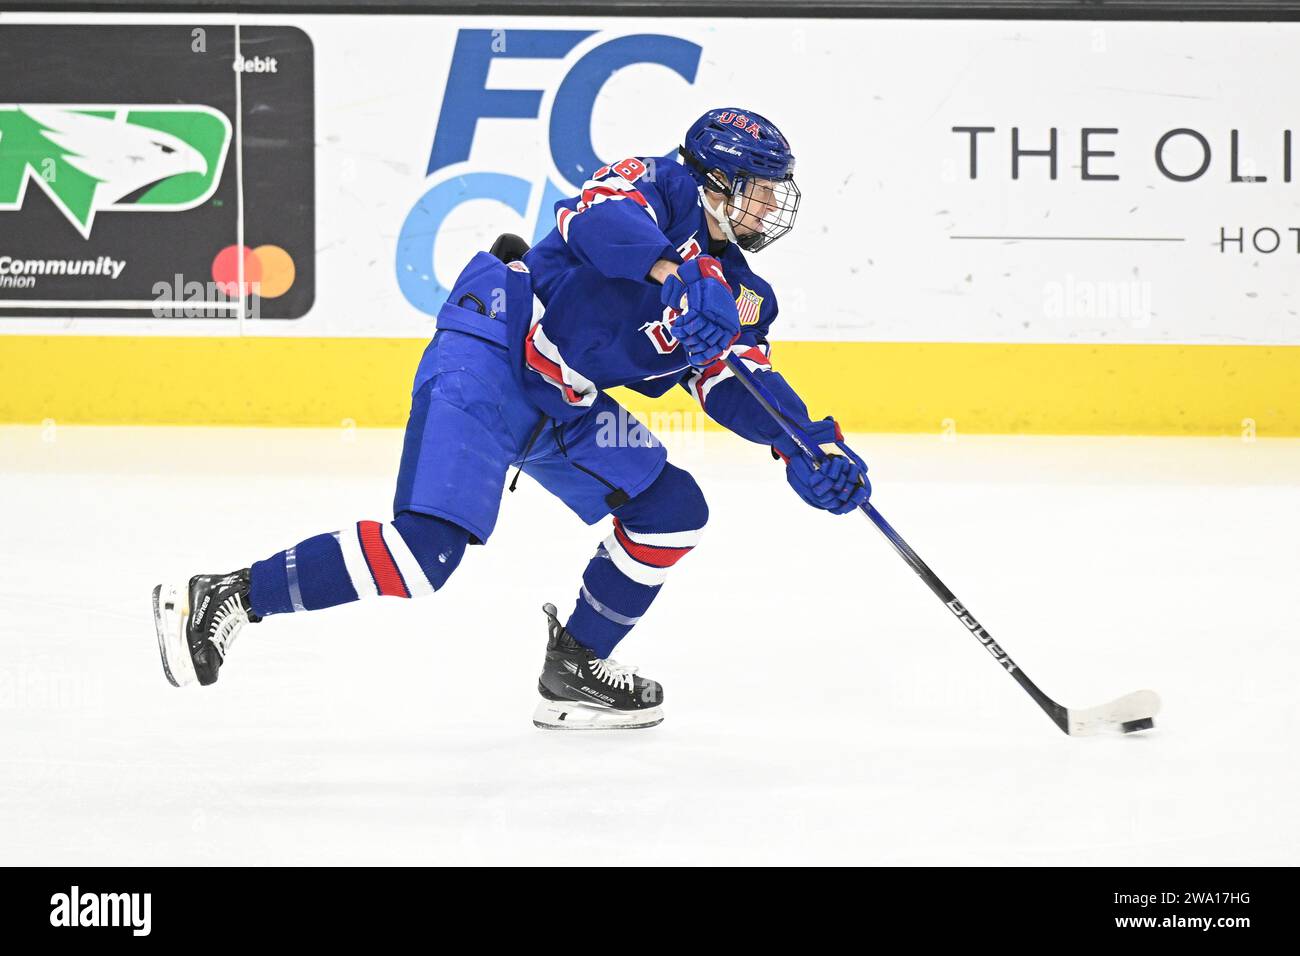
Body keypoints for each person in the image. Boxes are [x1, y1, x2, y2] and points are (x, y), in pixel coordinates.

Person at [152, 107, 870, 730]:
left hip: (564, 398)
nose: (771, 207)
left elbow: (738, 380)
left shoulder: (743, 293)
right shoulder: (657, 184)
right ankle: (229, 595)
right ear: (717, 184)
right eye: (762, 190)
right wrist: (672, 274)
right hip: (493, 346)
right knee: (422, 555)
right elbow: (596, 221)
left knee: (672, 509)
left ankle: (576, 666)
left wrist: (806, 446)